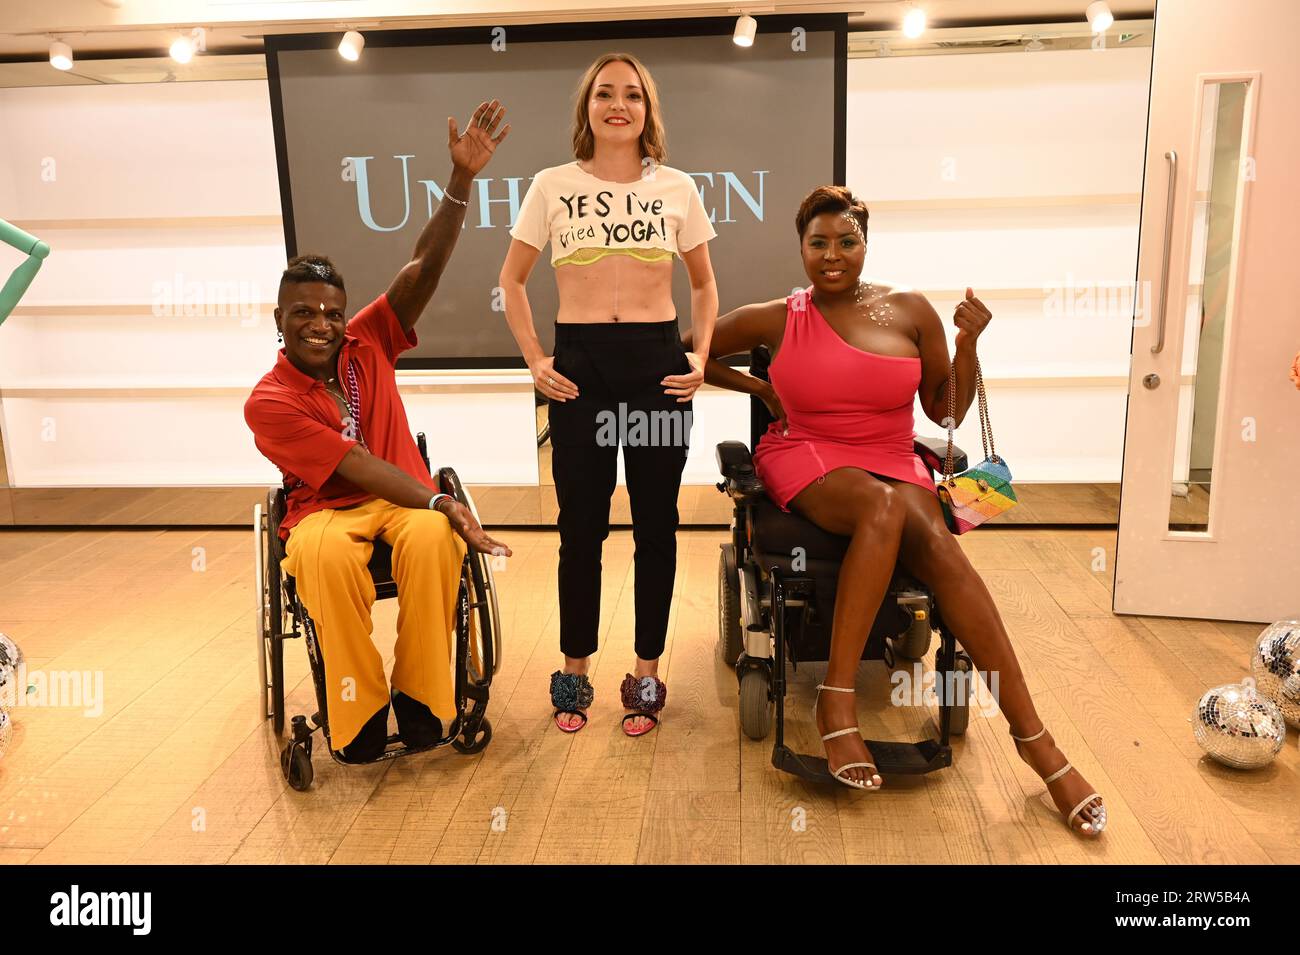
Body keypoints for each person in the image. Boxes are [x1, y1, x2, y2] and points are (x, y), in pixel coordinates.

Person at [685, 185, 1106, 836]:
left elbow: (943, 409)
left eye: (846, 241)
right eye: (818, 243)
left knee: (942, 550)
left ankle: (1036, 740)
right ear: (801, 248)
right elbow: (689, 347)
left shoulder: (910, 309)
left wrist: (967, 345)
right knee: (881, 508)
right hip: (808, 452)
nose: (832, 254)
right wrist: (759, 387)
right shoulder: (778, 317)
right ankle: (836, 703)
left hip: (891, 453)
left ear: (865, 244)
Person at [244, 101, 513, 763]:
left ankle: (423, 698)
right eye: (303, 312)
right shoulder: (269, 401)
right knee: (324, 559)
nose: (321, 323)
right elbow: (355, 466)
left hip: (406, 501)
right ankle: (357, 707)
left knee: (434, 539)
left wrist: (460, 181)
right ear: (278, 319)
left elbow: (423, 267)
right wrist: (443, 499)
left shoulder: (368, 340)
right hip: (325, 512)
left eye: (331, 312)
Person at [499, 53, 718, 736]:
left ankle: (646, 671)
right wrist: (536, 359)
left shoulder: (677, 187)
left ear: (648, 111)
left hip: (656, 373)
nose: (618, 105)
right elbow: (511, 280)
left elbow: (704, 284)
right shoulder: (552, 186)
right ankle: (576, 669)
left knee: (656, 525)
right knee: (580, 528)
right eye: (604, 94)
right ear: (587, 108)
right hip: (582, 373)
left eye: (632, 95)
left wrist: (700, 355)